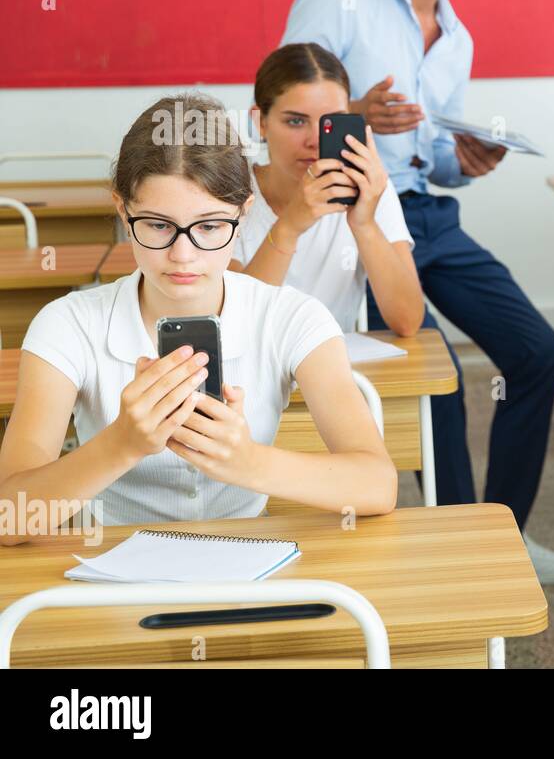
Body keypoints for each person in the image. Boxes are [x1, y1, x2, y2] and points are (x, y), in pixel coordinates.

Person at [279, 0, 554, 582]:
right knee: (438, 374)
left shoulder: (458, 40)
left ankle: (505, 536)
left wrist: (467, 162)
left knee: (539, 350)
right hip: (348, 211)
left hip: (426, 212)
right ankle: (458, 550)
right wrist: (352, 112)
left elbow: (434, 157)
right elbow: (284, 108)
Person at [0, 92, 396, 545]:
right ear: (122, 211)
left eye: (209, 227)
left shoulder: (292, 316)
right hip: (111, 579)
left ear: (244, 215)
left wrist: (248, 462)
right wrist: (122, 443)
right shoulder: (66, 324)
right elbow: (8, 518)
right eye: (157, 225)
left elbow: (378, 485)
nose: (182, 255)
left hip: (248, 565)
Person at [232, 42, 424, 338]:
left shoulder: (369, 189)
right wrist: (290, 226)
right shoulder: (227, 192)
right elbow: (239, 325)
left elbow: (407, 320)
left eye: (329, 124)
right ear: (261, 122)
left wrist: (365, 224)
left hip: (331, 373)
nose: (314, 141)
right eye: (295, 121)